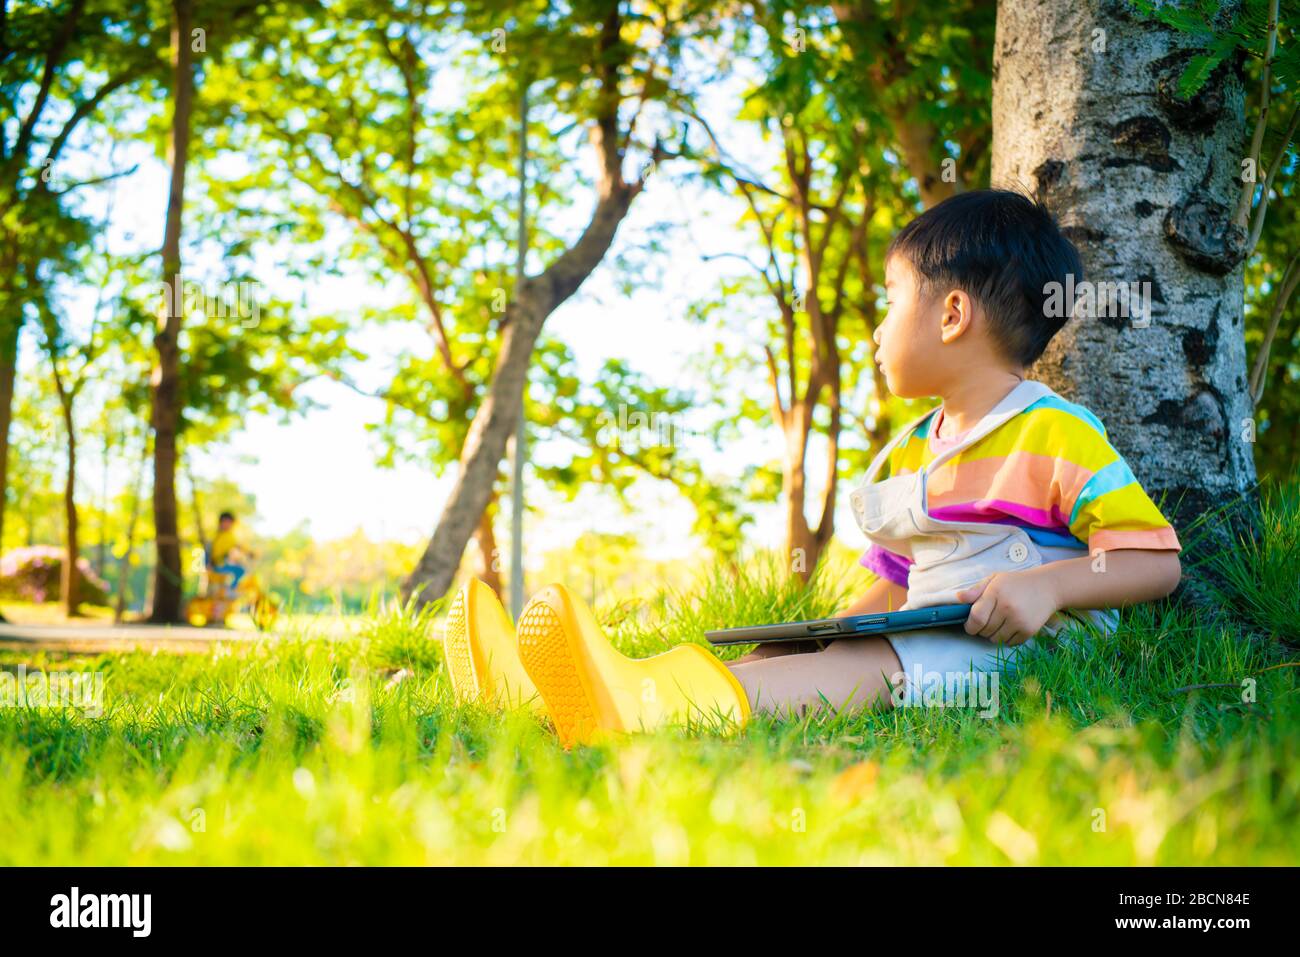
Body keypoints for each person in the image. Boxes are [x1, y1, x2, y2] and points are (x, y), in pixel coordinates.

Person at [443, 189, 1183, 748]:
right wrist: (829, 631)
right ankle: (552, 698)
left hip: (1017, 656)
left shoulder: (1054, 431)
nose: (878, 326)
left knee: (871, 663)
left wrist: (1047, 584)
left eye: (890, 300)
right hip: (926, 638)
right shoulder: (918, 443)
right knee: (797, 650)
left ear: (953, 315)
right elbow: (895, 579)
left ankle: (642, 704)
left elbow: (1155, 563)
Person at [207, 511, 247, 591]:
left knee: (241, 571)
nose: (227, 524)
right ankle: (229, 590)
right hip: (215, 566)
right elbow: (209, 551)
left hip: (225, 565)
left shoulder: (231, 536)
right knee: (215, 587)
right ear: (220, 522)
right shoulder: (215, 536)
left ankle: (232, 589)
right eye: (225, 522)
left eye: (229, 522)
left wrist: (247, 552)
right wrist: (209, 563)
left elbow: (238, 546)